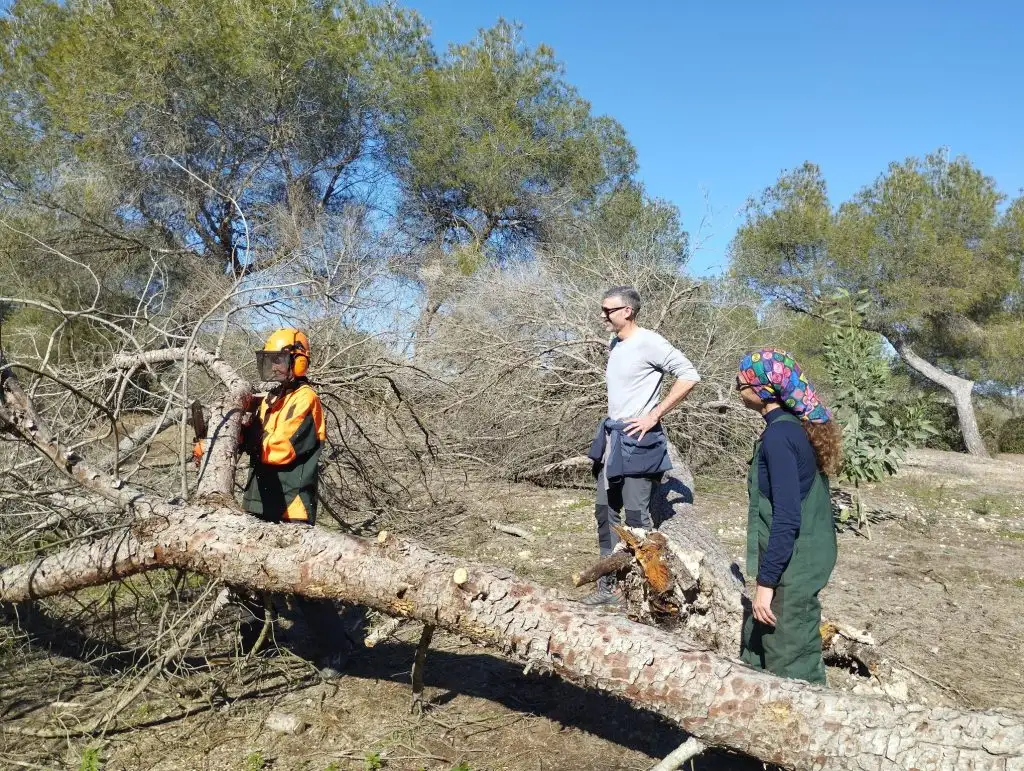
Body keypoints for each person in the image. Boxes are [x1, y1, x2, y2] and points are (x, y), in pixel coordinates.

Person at [194, 328, 344, 675]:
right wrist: (214, 444)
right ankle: (254, 638)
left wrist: (243, 440)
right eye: (270, 360)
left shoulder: (306, 399)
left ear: (298, 361)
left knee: (302, 580)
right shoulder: (271, 399)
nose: (274, 367)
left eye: (280, 360)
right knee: (249, 574)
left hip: (291, 501)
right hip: (258, 499)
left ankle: (336, 650)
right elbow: (246, 434)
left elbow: (280, 449)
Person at [583, 286, 701, 606]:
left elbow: (689, 375)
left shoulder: (649, 341)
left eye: (608, 310)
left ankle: (643, 598)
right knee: (605, 513)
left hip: (639, 442)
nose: (602, 315)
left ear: (627, 312)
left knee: (636, 520)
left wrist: (654, 415)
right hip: (613, 440)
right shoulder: (615, 343)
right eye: (603, 309)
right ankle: (608, 589)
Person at [735, 348, 842, 684]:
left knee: (790, 655)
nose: (737, 385)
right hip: (789, 557)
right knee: (759, 640)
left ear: (762, 390)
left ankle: (806, 723)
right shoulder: (788, 429)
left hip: (796, 561)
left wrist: (766, 584)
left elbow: (787, 517)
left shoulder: (780, 437)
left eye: (741, 380)